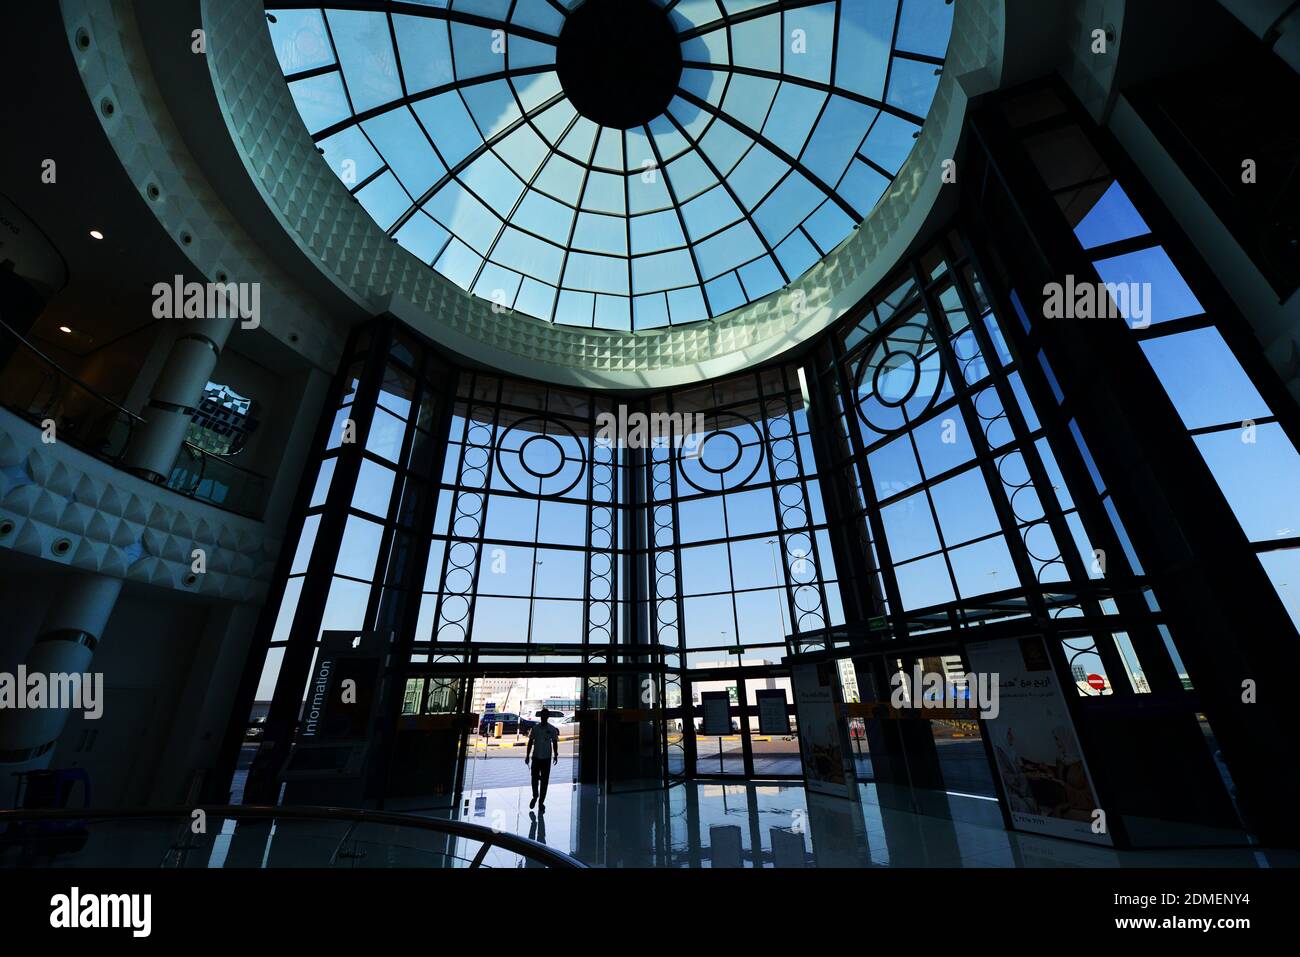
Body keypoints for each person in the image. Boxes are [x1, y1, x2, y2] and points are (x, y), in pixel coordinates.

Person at [524, 708, 559, 811]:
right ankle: (535, 796)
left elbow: (555, 742)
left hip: (546, 758)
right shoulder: (535, 728)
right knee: (534, 779)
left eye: (545, 715)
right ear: (541, 717)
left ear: (547, 717)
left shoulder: (552, 729)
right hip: (536, 758)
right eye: (542, 715)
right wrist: (527, 755)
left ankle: (541, 802)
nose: (543, 717)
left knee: (544, 781)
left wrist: (556, 754)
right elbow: (530, 742)